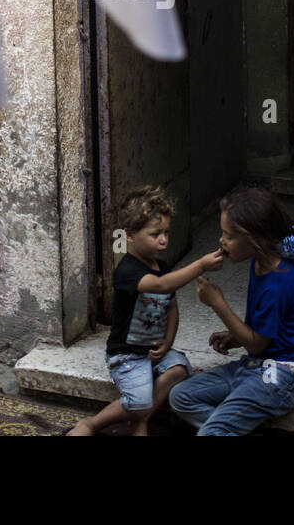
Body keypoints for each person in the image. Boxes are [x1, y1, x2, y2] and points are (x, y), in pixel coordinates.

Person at [68, 187, 225, 436]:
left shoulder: (162, 266)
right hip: (127, 356)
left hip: (154, 353)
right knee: (139, 400)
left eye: (166, 233)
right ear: (130, 235)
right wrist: (200, 265)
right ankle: (92, 424)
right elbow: (160, 286)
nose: (164, 240)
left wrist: (168, 341)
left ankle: (142, 419)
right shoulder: (127, 271)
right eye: (155, 234)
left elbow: (171, 305)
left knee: (180, 369)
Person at [169, 187, 294, 435]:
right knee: (180, 397)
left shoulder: (279, 281)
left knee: (211, 433)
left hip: (280, 376)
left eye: (229, 235)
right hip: (253, 365)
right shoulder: (261, 260)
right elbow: (262, 336)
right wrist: (235, 336)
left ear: (256, 239)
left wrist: (217, 303)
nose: (221, 241)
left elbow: (257, 344)